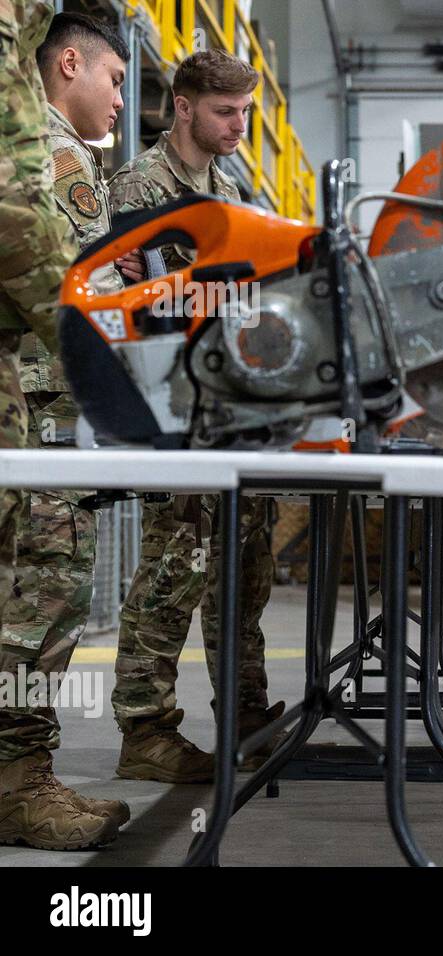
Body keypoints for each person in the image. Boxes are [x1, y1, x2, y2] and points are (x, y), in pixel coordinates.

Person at [107, 50, 282, 783]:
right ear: (183, 106)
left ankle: (243, 709)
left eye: (245, 111)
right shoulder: (143, 189)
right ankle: (145, 729)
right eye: (225, 111)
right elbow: (128, 312)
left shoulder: (226, 183)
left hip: (227, 408)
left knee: (244, 564)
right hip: (171, 410)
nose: (239, 124)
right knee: (175, 567)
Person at [0, 1, 121, 851]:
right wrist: (102, 369)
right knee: (41, 589)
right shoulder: (45, 147)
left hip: (37, 396)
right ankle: (18, 780)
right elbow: (50, 266)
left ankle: (23, 773)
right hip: (38, 404)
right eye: (115, 77)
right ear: (66, 64)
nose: (120, 97)